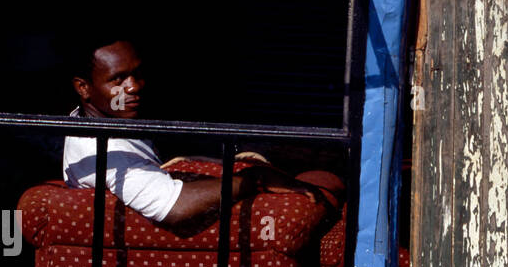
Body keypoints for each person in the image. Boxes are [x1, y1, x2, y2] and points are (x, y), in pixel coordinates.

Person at [63, 36, 341, 232]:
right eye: (118, 79)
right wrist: (256, 178)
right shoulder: (104, 154)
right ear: (83, 87)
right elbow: (174, 206)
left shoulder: (92, 120)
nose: (134, 87)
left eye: (137, 74)